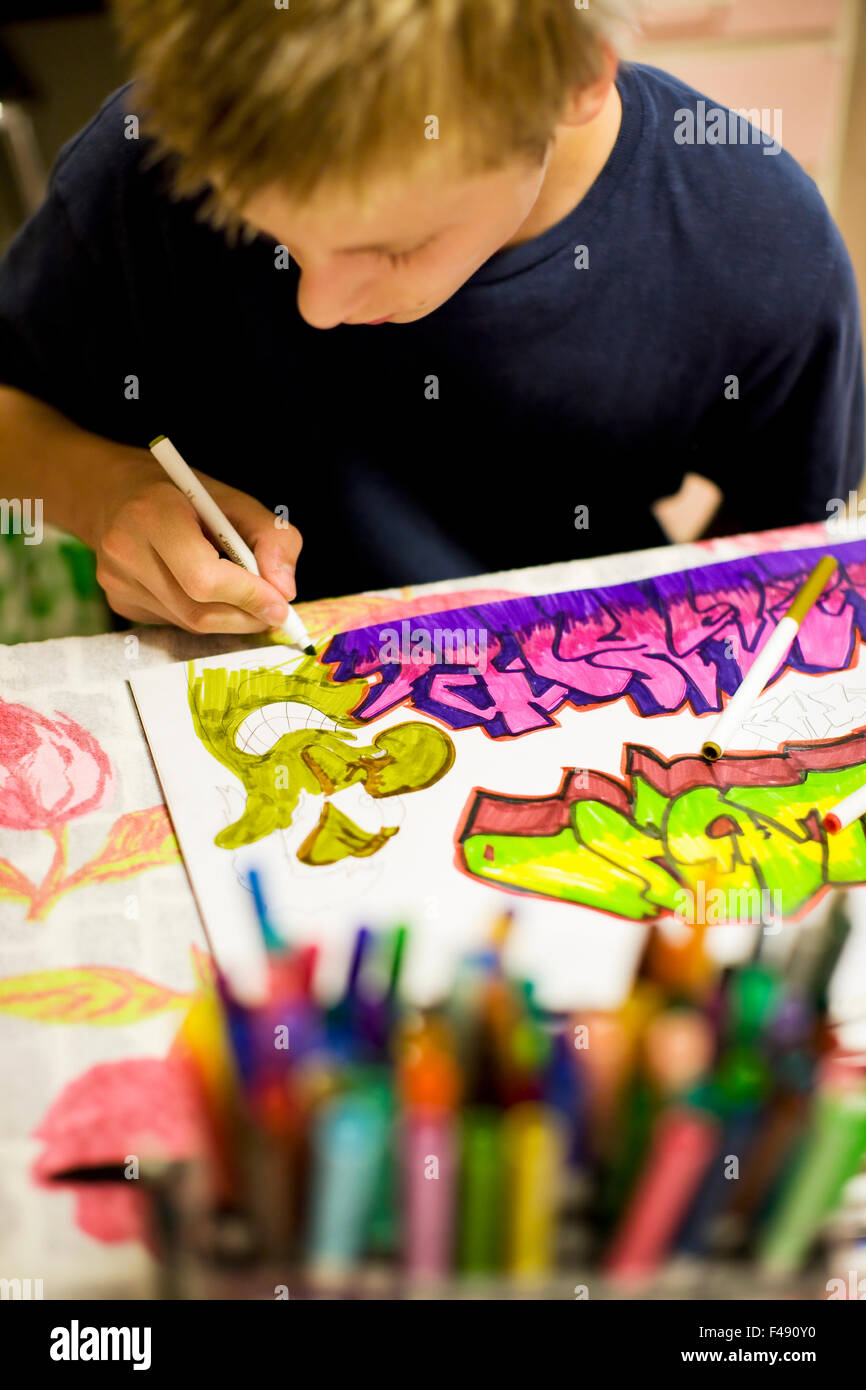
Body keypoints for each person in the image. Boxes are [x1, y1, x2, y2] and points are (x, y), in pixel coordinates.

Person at [0, 0, 861, 633]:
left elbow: (784, 563)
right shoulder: (148, 158)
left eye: (392, 247)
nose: (320, 305)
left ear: (571, 82)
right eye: (260, 225)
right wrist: (105, 493)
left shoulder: (759, 243)